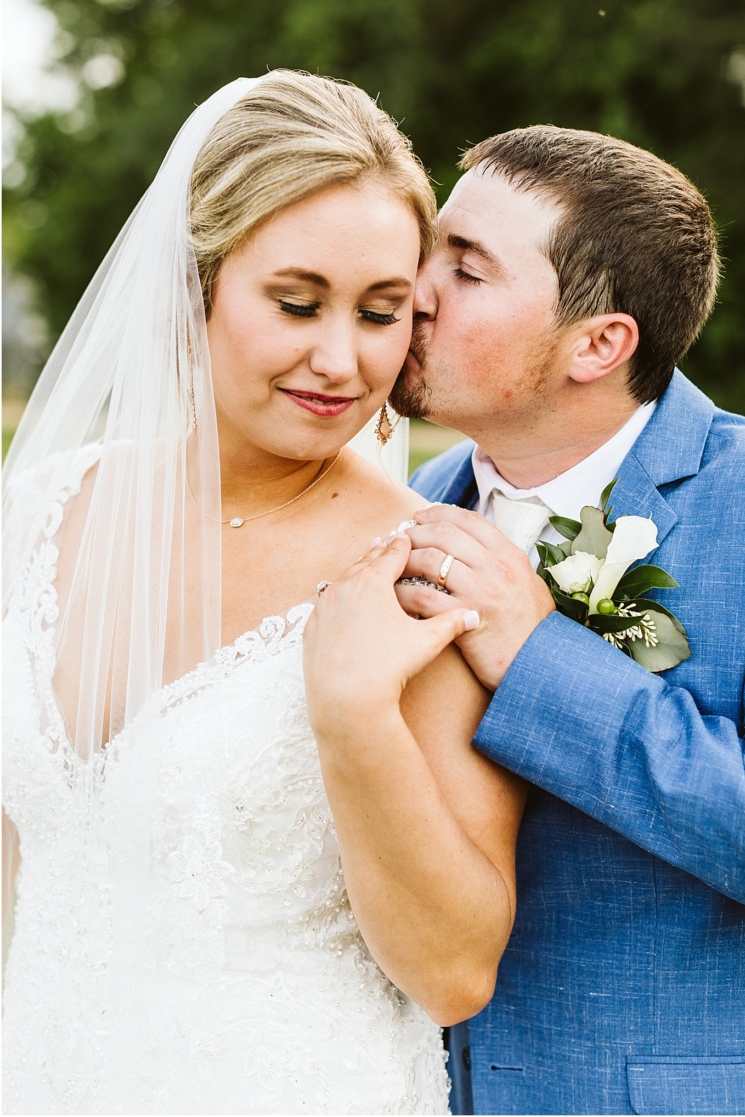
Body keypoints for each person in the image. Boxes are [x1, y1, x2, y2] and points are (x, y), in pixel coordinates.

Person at [1, 71, 527, 1115]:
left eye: (380, 313)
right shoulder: (42, 511)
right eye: (296, 303)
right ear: (192, 284)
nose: (339, 359)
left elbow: (455, 971)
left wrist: (355, 713)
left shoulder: (423, 572)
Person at [390, 126, 745, 1116]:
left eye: (466, 268)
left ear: (599, 344)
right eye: (431, 249)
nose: (415, 290)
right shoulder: (410, 506)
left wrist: (538, 659)